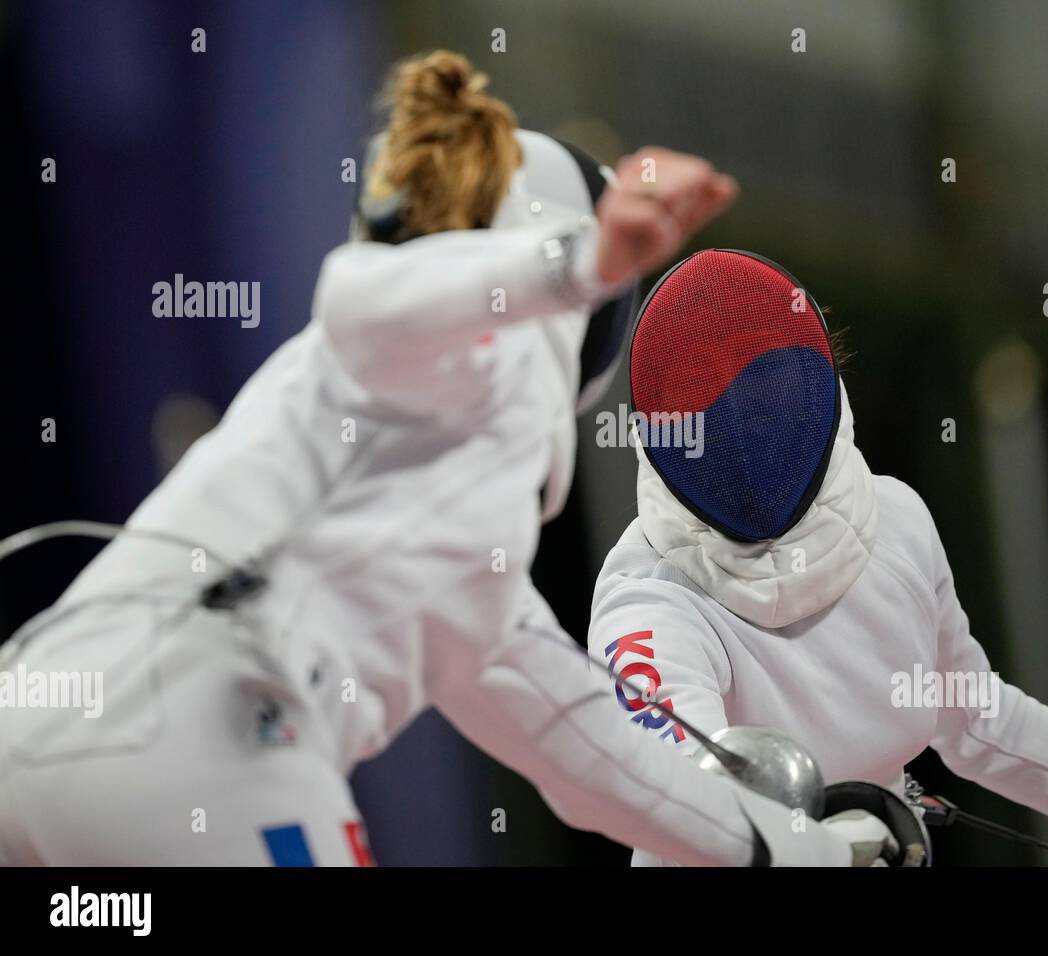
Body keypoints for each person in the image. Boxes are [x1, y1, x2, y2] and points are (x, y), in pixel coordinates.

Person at [0, 52, 868, 867]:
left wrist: (803, 850)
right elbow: (361, 296)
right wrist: (581, 263)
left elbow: (593, 752)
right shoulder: (398, 363)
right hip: (206, 743)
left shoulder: (473, 563)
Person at [587, 247, 1048, 867]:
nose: (736, 408)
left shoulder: (893, 522)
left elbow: (974, 717)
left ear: (810, 374)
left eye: (756, 370)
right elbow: (681, 789)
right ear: (660, 424)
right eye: (700, 384)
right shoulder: (648, 600)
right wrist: (836, 843)